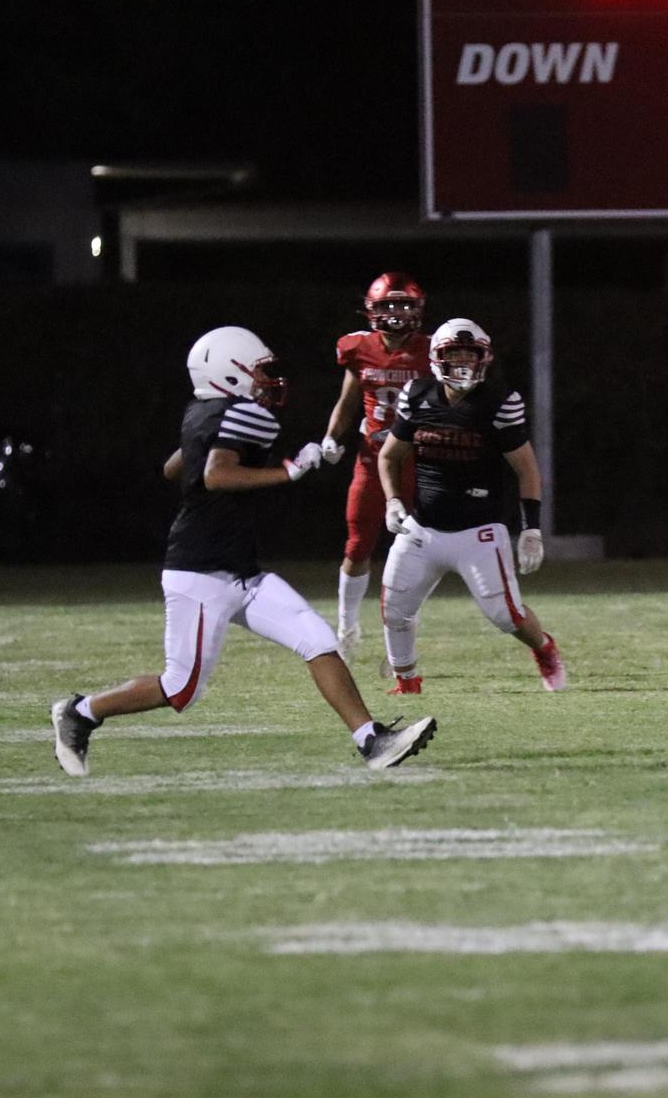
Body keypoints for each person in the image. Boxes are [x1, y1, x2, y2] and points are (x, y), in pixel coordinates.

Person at [50, 326, 436, 778]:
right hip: (201, 572)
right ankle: (80, 711)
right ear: (227, 375)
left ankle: (371, 740)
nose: (265, 382)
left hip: (241, 569)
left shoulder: (202, 411)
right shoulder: (244, 415)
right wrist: (289, 471)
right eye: (257, 373)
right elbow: (215, 475)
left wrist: (207, 453)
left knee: (317, 639)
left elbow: (174, 467)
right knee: (181, 688)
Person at [376, 317, 566, 694]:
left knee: (506, 616)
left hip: (477, 532)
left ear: (485, 359)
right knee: (394, 611)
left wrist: (530, 528)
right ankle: (407, 682)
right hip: (422, 528)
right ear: (436, 359)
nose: (463, 363)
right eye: (455, 355)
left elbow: (526, 470)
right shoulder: (416, 395)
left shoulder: (499, 403)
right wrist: (393, 501)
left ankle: (545, 649)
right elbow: (387, 457)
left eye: (470, 355)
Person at [321, 272, 431, 666]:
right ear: (372, 310)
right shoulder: (358, 348)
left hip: (422, 462)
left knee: (421, 550)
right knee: (357, 543)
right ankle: (347, 629)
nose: (397, 313)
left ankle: (401, 634)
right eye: (388, 305)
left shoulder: (433, 351)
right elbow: (349, 401)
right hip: (372, 459)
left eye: (404, 305)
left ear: (418, 310)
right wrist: (332, 436)